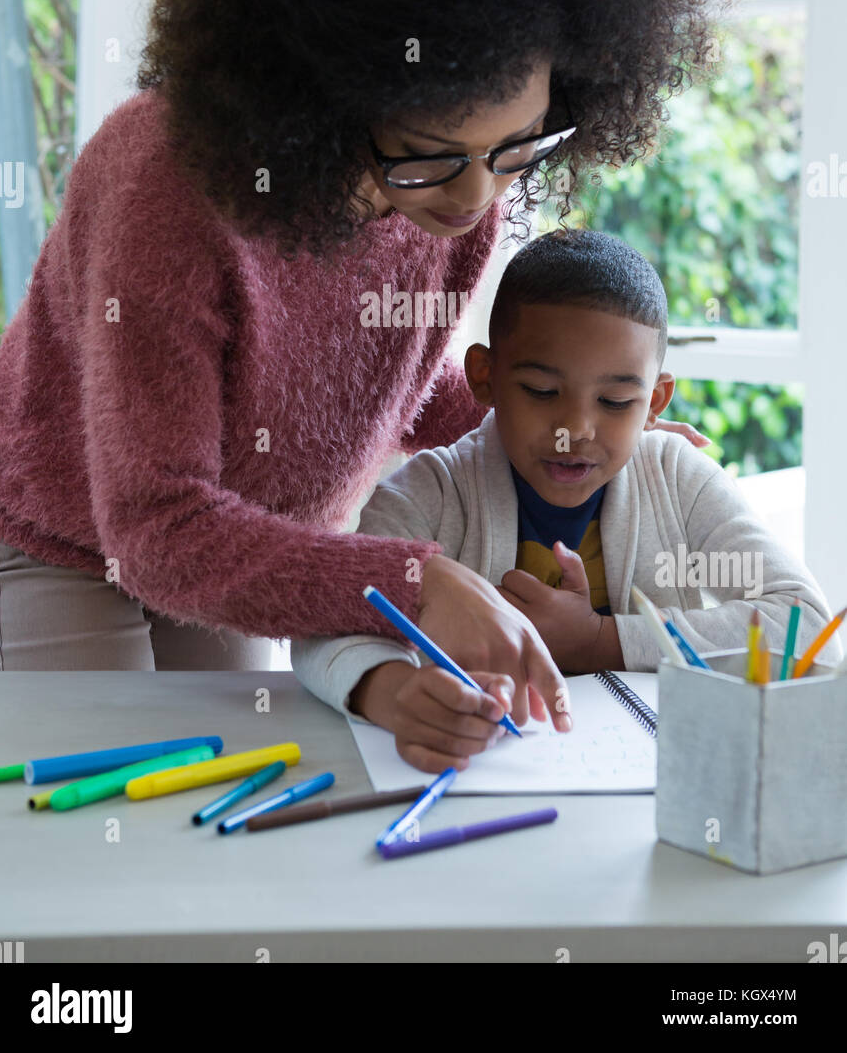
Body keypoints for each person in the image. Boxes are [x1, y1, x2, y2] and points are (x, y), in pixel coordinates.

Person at [0, 0, 734, 686]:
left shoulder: (459, 194)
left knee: (245, 783)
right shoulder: (167, 184)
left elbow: (387, 393)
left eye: (515, 148)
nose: (475, 201)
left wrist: (569, 412)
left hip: (236, 539)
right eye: (432, 152)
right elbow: (159, 528)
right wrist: (419, 581)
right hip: (60, 538)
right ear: (328, 92)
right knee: (96, 811)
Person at [291, 230, 841, 774]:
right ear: (485, 376)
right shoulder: (431, 492)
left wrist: (602, 642)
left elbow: (808, 627)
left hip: (647, 801)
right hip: (484, 781)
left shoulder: (679, 478)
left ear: (655, 402)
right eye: (541, 392)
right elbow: (325, 624)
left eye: (615, 401)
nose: (575, 430)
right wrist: (394, 691)